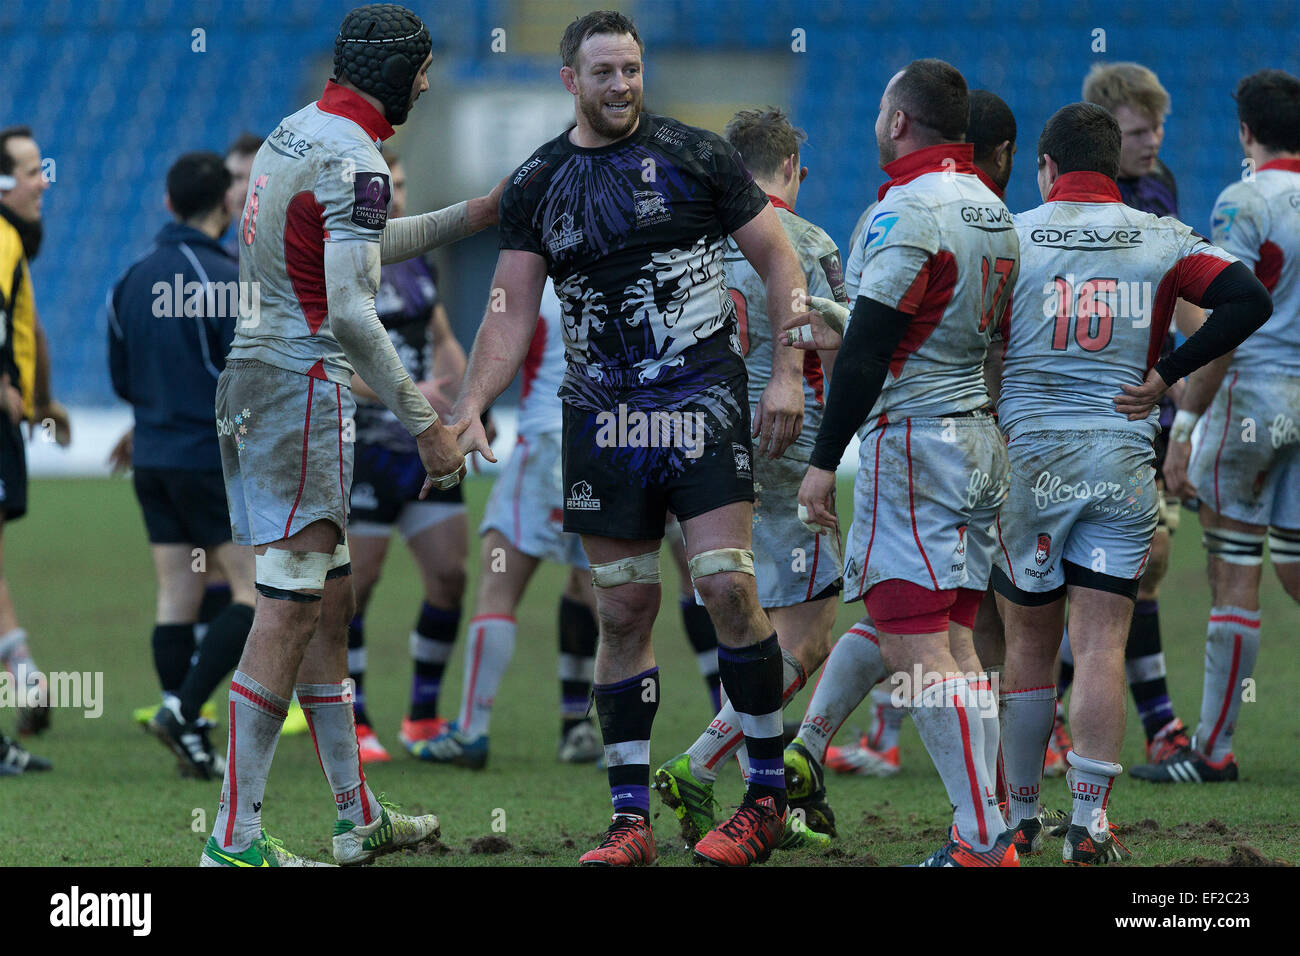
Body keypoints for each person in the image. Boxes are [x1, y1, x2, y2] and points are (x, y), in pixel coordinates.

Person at [451, 10, 808, 867]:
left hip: (701, 402)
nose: (621, 85)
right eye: (603, 72)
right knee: (621, 607)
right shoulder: (539, 183)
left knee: (725, 587)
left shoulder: (695, 155)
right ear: (569, 80)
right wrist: (470, 403)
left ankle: (764, 799)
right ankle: (628, 820)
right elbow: (507, 312)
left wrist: (790, 372)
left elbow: (779, 262)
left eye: (631, 69)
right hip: (602, 416)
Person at [200, 3, 503, 867]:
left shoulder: (298, 133)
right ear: (399, 72)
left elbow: (357, 248)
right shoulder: (359, 157)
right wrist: (428, 427)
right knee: (289, 610)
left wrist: (467, 215)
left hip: (257, 380)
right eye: (423, 68)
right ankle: (233, 841)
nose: (429, 81)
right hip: (300, 391)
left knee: (327, 609)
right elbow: (350, 308)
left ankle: (354, 816)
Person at [995, 102, 1271, 863]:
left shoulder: (1010, 236)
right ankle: (1088, 826)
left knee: (1027, 642)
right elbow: (1251, 300)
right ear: (1113, 167)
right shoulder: (1162, 237)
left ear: (1047, 167)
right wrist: (1167, 376)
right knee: (1101, 641)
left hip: (1033, 457)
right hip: (1122, 455)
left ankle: (1019, 821)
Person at [792, 59, 1020, 867]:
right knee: (953, 638)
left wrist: (824, 461)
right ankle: (986, 826)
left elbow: (868, 353)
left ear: (898, 123)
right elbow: (946, 323)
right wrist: (849, 317)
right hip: (975, 437)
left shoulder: (905, 209)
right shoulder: (993, 209)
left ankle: (983, 841)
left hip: (915, 442)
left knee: (914, 638)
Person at [651, 107, 845, 853]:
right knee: (810, 635)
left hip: (704, 450)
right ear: (791, 165)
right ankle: (702, 765)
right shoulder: (807, 241)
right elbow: (843, 334)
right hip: (790, 444)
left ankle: (755, 788)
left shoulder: (691, 238)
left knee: (748, 625)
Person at [1043, 62, 1208, 774]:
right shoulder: (1088, 205)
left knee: (1142, 566)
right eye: (1140, 132)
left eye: (1159, 128)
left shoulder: (1158, 187)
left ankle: (1116, 718)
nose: (1153, 142)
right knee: (1099, 575)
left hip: (1146, 404)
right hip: (1093, 412)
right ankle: (1141, 721)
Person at [1139, 69, 1300, 784]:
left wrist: (1185, 424)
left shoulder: (1246, 198)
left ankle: (1213, 749)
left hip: (1255, 398)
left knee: (1234, 572)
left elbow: (1233, 319)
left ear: (1246, 133)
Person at [108, 152, 262, 779]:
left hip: (152, 457)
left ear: (168, 204)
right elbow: (248, 374)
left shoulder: (131, 278)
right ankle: (183, 708)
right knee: (256, 594)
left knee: (177, 594)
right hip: (210, 457)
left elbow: (123, 378)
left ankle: (191, 737)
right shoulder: (228, 276)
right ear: (226, 205)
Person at [342, 151, 471, 763]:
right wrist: (403, 393)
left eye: (401, 184)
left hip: (426, 443)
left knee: (450, 574)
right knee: (355, 587)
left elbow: (441, 337)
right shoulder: (341, 262)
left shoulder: (415, 260)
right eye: (383, 187)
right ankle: (355, 718)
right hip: (366, 445)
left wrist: (469, 395)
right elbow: (335, 359)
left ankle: (421, 716)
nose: (394, 196)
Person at [0, 124, 67, 741]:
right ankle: (25, 677)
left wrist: (43, 399)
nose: (42, 180)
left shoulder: (14, 242)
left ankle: (24, 676)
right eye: (27, 170)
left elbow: (30, 327)